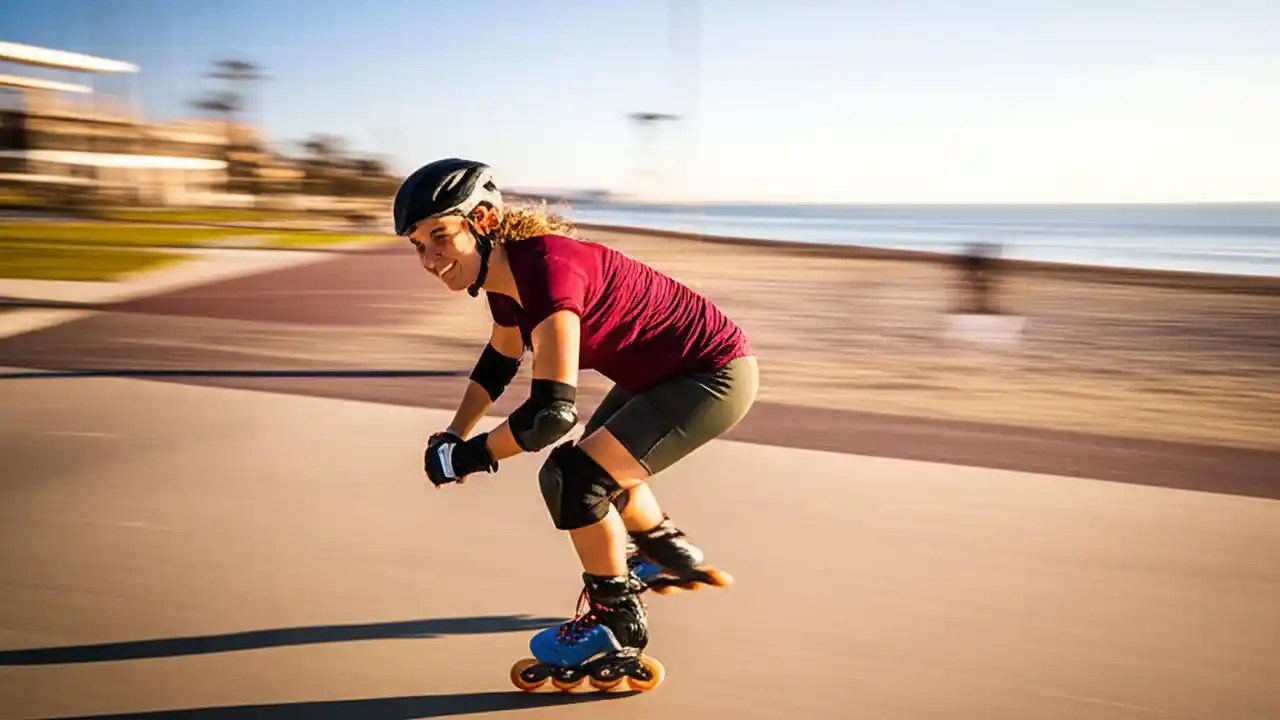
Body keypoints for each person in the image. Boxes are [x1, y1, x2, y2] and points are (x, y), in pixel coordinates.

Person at [395, 158, 758, 692]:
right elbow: (499, 361)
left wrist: (469, 457)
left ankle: (617, 623)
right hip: (661, 373)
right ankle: (663, 551)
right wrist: (453, 434)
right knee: (595, 470)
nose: (429, 258)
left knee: (574, 478)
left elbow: (550, 416)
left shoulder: (543, 269)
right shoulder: (504, 277)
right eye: (417, 245)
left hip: (710, 376)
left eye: (439, 236)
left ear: (485, 222)